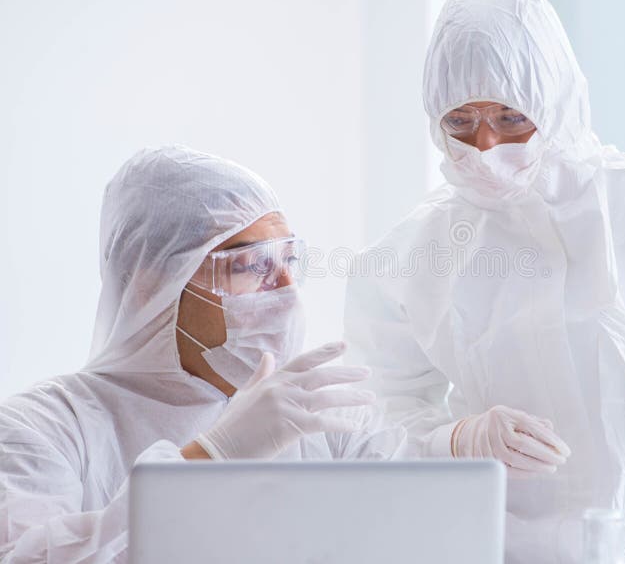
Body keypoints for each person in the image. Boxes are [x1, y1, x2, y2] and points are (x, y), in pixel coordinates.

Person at [344, 0, 625, 563]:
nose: (485, 145)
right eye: (461, 120)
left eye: (511, 116)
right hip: (500, 547)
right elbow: (368, 422)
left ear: (553, 101)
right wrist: (453, 440)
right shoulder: (416, 251)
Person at [0, 145, 405, 562]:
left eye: (290, 260)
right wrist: (212, 458)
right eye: (251, 265)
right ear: (150, 285)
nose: (287, 290)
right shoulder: (40, 430)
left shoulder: (327, 421)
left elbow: (415, 528)